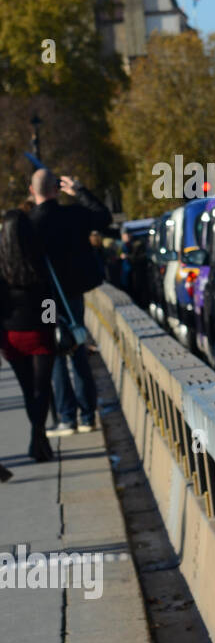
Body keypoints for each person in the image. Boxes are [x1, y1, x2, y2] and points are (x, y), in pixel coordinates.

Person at [29, 170, 110, 435]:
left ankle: (67, 417)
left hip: (47, 300)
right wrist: (80, 191)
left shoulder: (31, 224)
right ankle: (88, 415)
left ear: (32, 190)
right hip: (73, 293)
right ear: (56, 189)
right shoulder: (73, 215)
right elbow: (103, 217)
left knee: (53, 353)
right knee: (77, 349)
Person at [0, 209, 56, 462]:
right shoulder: (40, 260)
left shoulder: (2, 266)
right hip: (39, 334)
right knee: (42, 389)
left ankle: (38, 438)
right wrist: (49, 326)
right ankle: (39, 436)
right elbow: (49, 299)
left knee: (27, 390)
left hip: (12, 336)